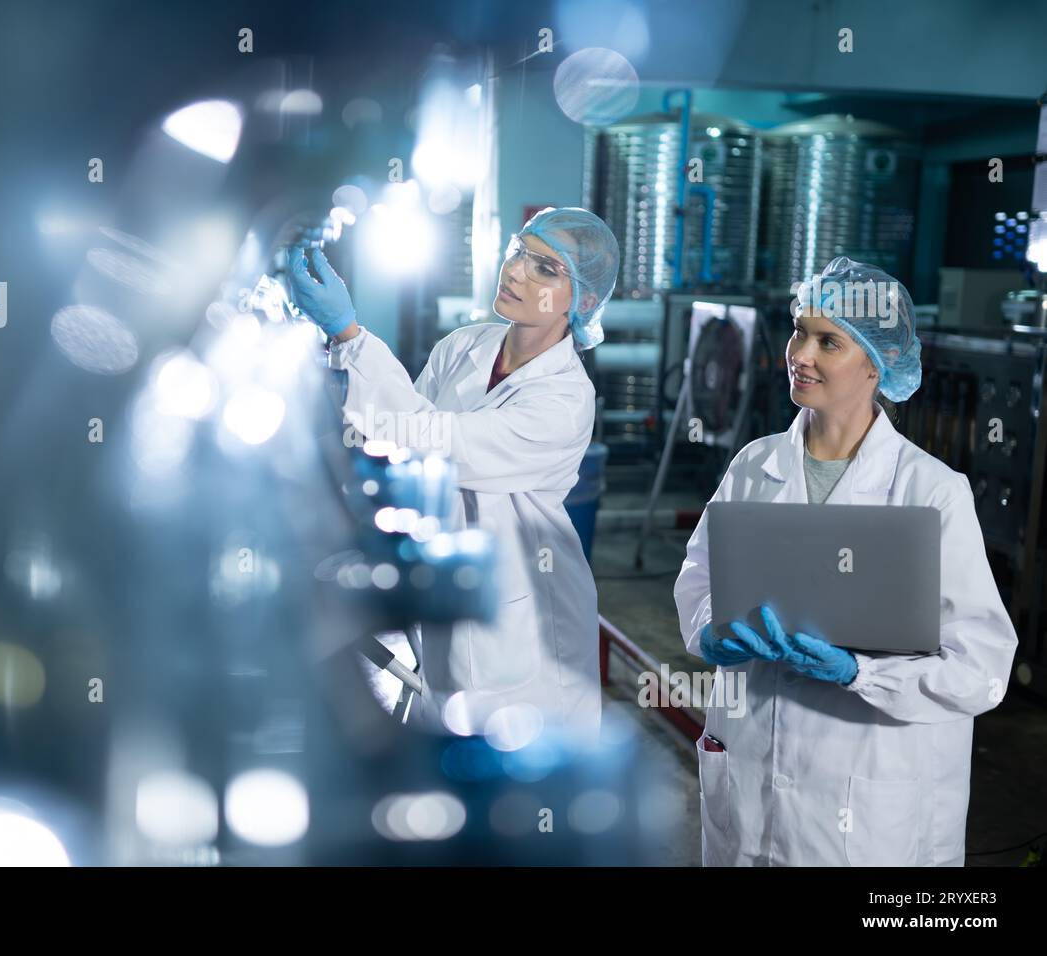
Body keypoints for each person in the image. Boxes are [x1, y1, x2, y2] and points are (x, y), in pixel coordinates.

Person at [674, 256, 1018, 866]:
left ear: (875, 364)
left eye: (828, 341)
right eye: (799, 330)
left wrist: (860, 673)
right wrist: (713, 629)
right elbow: (698, 579)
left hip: (865, 806)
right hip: (747, 776)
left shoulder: (930, 490)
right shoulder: (754, 466)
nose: (800, 353)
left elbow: (982, 667)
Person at [287, 207, 620, 739]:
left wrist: (348, 333)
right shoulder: (464, 347)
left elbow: (436, 442)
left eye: (545, 269)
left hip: (524, 629)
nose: (515, 272)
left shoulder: (565, 400)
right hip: (451, 596)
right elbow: (400, 446)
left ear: (580, 302)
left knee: (519, 786)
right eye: (519, 252)